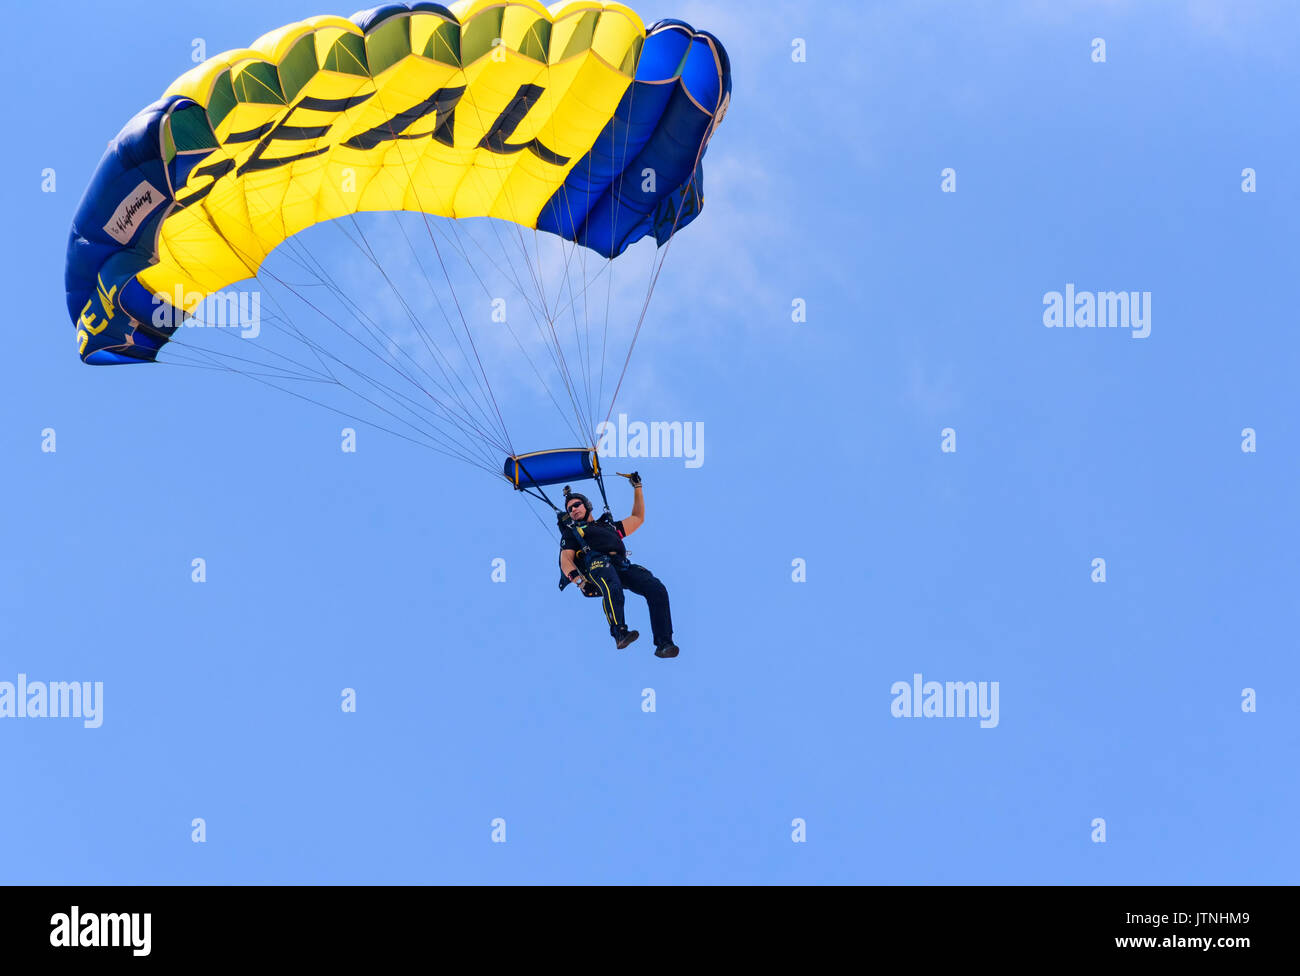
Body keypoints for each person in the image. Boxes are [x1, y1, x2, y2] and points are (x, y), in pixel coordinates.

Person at [558, 473, 679, 658]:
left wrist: (638, 487)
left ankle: (664, 643)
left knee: (656, 588)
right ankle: (620, 633)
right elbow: (565, 559)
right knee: (612, 586)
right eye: (569, 509)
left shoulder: (609, 527)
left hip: (621, 565)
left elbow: (638, 518)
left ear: (587, 505)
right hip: (598, 564)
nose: (573, 509)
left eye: (576, 505)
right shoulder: (573, 533)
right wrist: (578, 580)